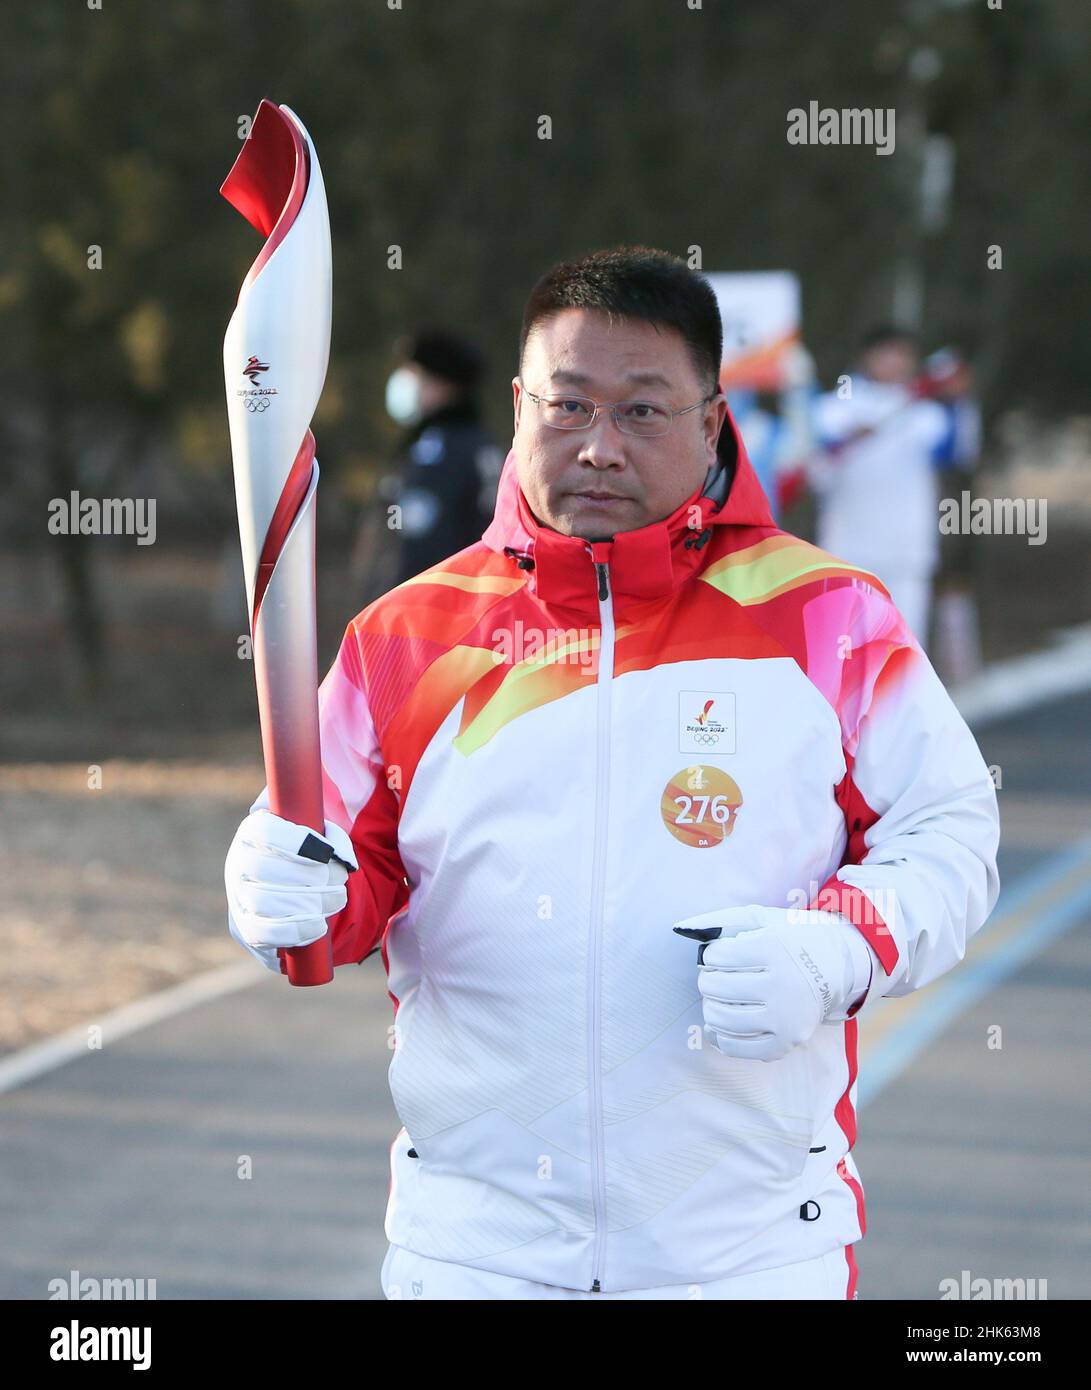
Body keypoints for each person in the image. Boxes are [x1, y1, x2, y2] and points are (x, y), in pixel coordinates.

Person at [224, 248, 1000, 1300]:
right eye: (567, 404)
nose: (596, 446)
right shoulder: (404, 637)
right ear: (517, 404)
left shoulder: (825, 618)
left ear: (711, 420)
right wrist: (281, 887)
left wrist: (835, 947)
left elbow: (947, 833)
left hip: (747, 1251)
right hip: (476, 1252)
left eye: (642, 412)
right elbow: (335, 878)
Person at [809, 326, 950, 649]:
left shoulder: (926, 413)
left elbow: (950, 450)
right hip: (848, 552)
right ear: (867, 357)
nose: (894, 362)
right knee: (847, 652)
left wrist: (954, 399)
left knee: (907, 652)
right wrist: (847, 439)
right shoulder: (834, 407)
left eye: (902, 355)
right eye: (886, 353)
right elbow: (814, 463)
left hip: (905, 552)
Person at [380, 329, 502, 586]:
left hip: (426, 604)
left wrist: (388, 601)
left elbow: (415, 540)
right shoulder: (478, 443)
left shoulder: (438, 453)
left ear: (443, 387)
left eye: (416, 376)